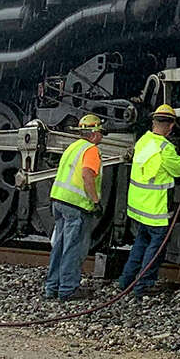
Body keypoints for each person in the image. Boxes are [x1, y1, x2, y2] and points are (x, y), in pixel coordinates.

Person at [115, 104, 180, 300]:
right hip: (156, 211)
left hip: (139, 208)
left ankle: (126, 281)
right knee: (155, 250)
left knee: (140, 244)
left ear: (154, 122)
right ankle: (144, 286)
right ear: (171, 126)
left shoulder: (143, 141)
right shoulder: (165, 148)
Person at [43, 113, 106, 301]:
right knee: (74, 248)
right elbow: (87, 175)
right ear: (94, 133)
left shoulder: (73, 147)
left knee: (60, 246)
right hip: (76, 205)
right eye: (101, 132)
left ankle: (52, 287)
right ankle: (68, 289)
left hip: (59, 201)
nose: (102, 136)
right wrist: (95, 201)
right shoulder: (91, 150)